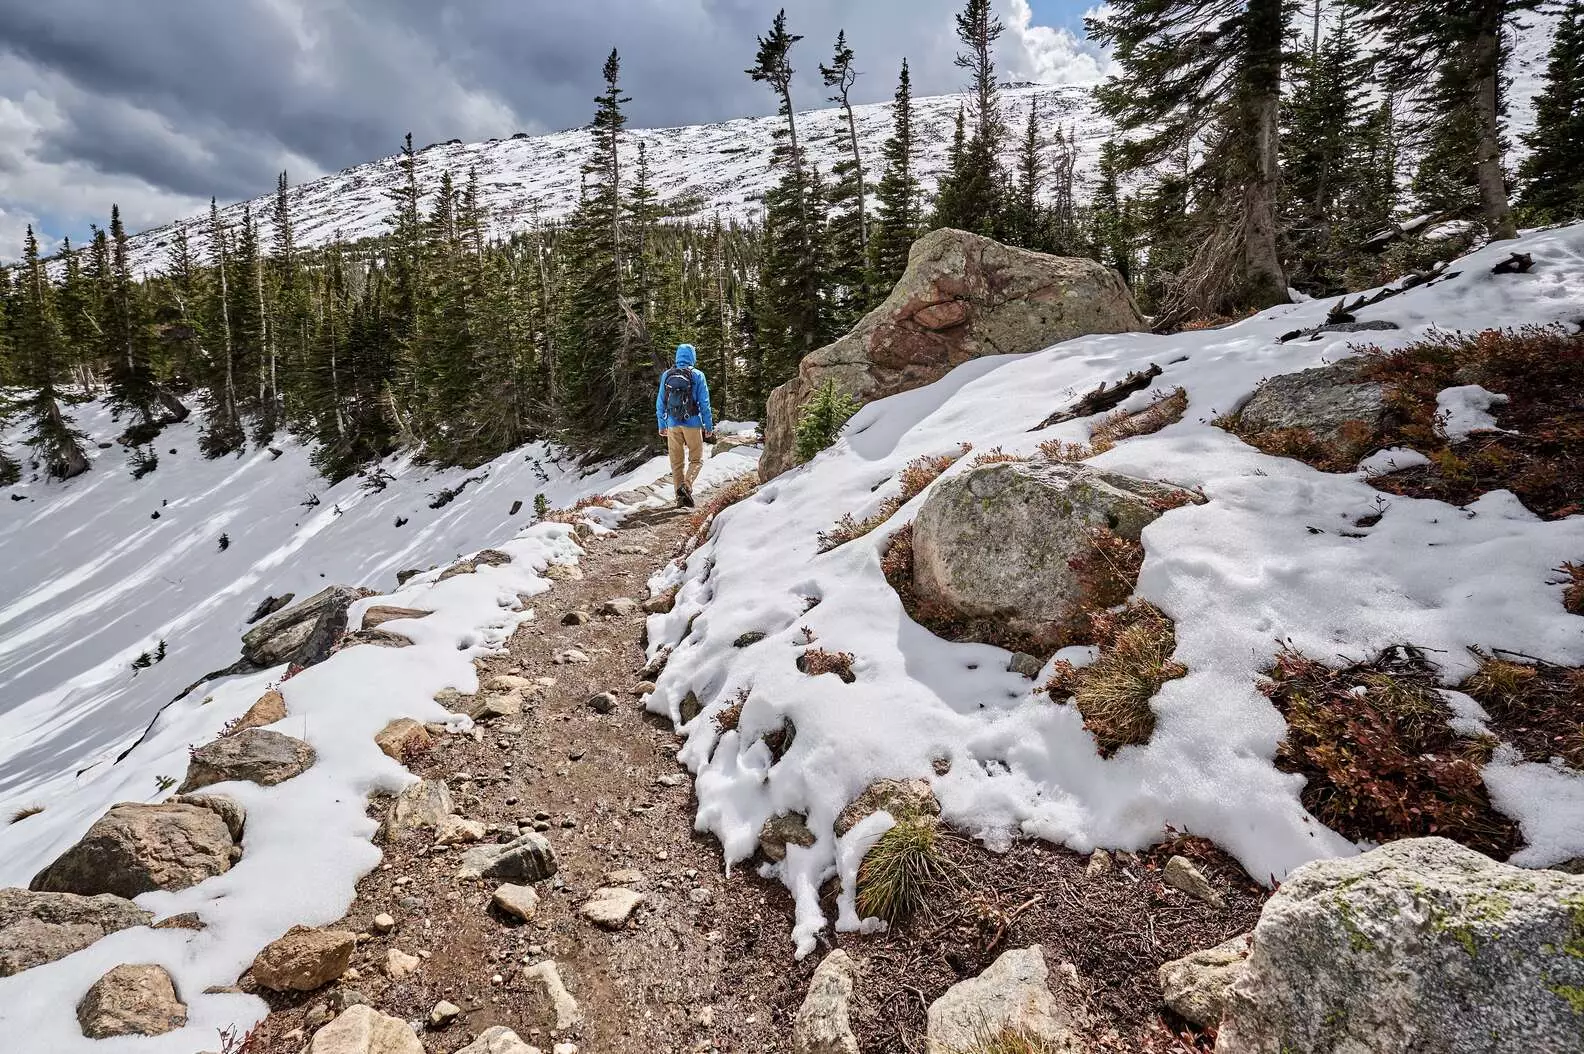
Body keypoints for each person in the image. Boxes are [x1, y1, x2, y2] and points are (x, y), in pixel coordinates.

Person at [656, 343, 714, 508]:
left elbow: (660, 401)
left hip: (673, 424)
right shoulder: (697, 375)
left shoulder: (667, 374)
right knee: (696, 460)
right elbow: (705, 403)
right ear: (692, 357)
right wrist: (708, 425)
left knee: (677, 463)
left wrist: (662, 423)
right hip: (692, 423)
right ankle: (686, 486)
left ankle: (680, 499)